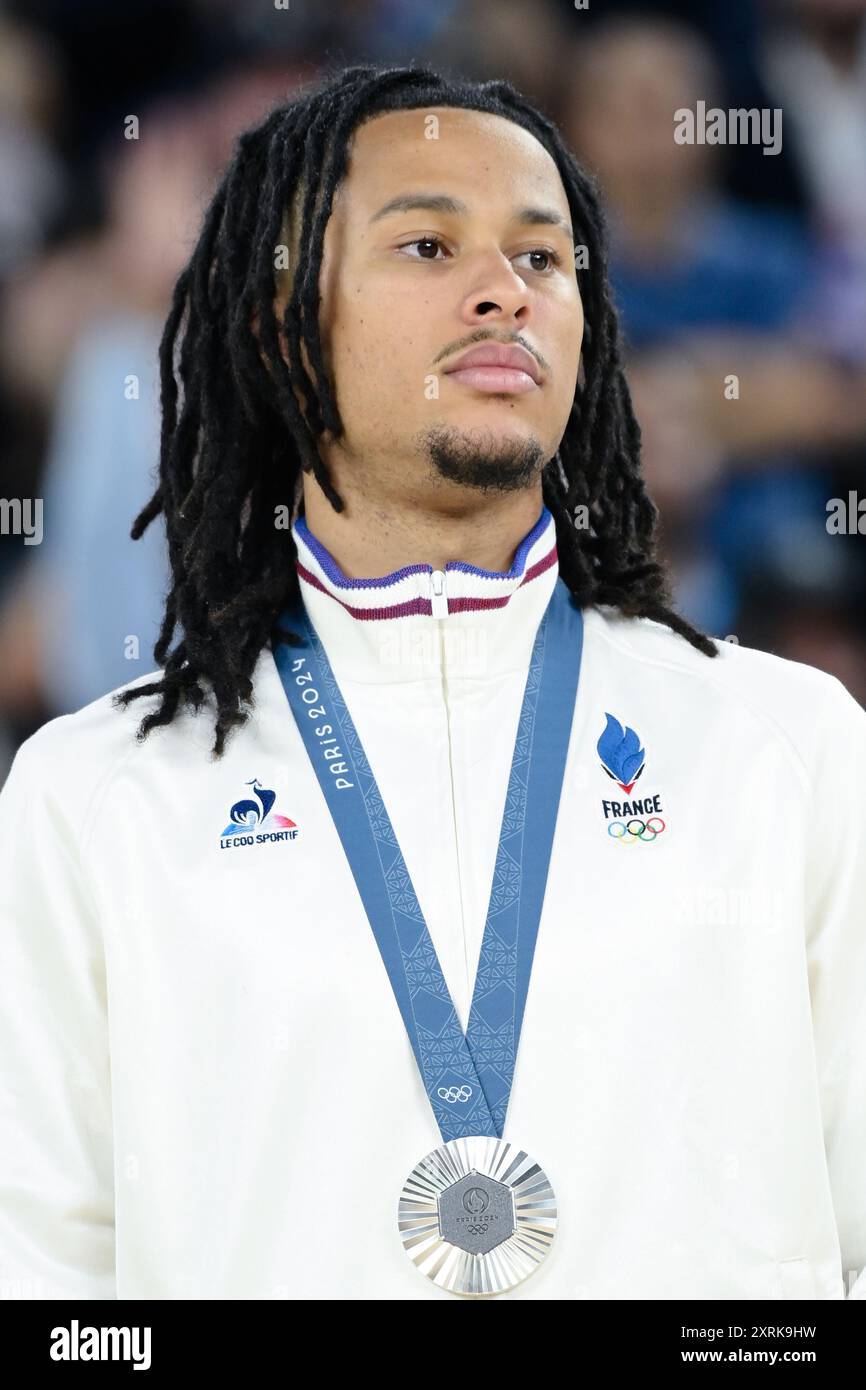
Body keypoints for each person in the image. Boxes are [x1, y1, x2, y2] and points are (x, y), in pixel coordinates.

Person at [0, 63, 863, 1302]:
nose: (502, 291)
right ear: (275, 320)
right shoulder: (92, 801)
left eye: (542, 259)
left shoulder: (791, 746)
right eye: (424, 243)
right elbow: (47, 1295)